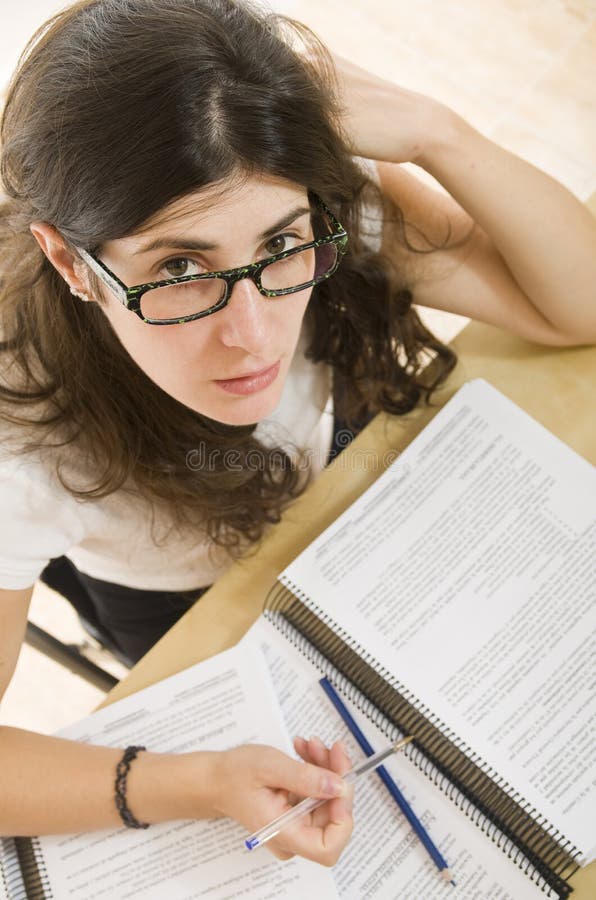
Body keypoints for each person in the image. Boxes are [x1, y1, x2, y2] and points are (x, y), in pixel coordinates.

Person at [0, 0, 594, 864]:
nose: (254, 336)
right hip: (188, 598)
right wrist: (191, 780)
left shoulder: (303, 200)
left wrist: (439, 133)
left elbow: (577, 304)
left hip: (356, 504)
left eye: (282, 245)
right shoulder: (17, 427)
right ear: (70, 262)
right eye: (178, 268)